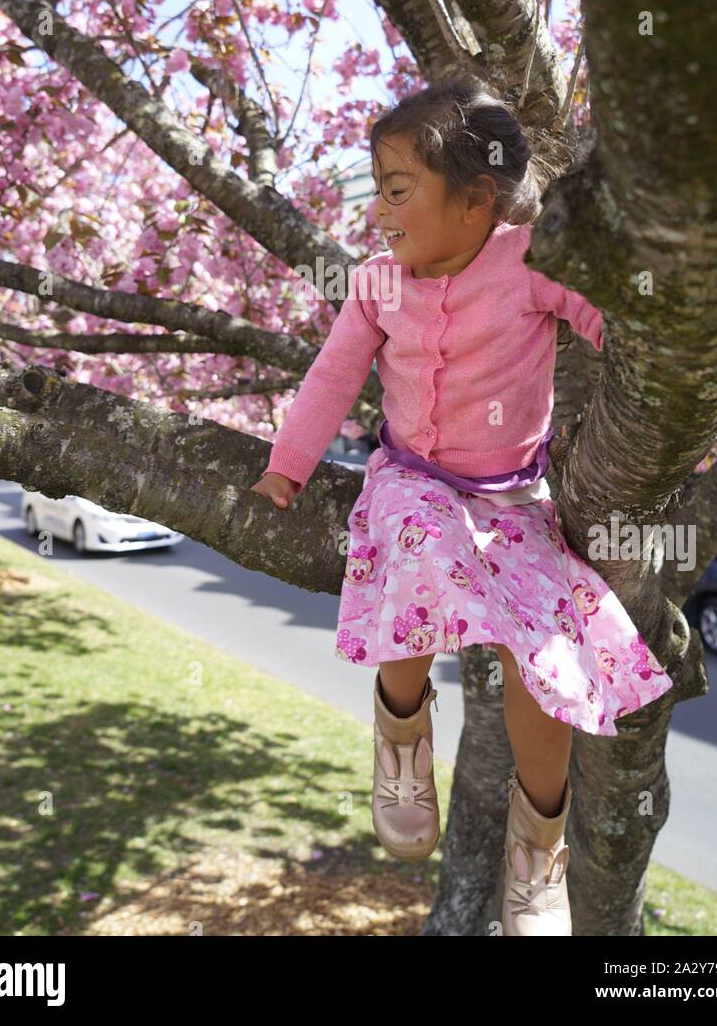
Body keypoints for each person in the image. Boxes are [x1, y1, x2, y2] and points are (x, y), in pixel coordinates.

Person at [250, 74, 674, 935]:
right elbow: (333, 376)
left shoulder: (528, 265)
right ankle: (402, 741)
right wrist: (287, 466)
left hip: (515, 503)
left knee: (547, 654)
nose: (379, 210)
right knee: (414, 542)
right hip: (415, 477)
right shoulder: (376, 282)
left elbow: (612, 321)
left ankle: (538, 849)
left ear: (478, 200)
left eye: (398, 189)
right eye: (377, 189)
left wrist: (677, 359)